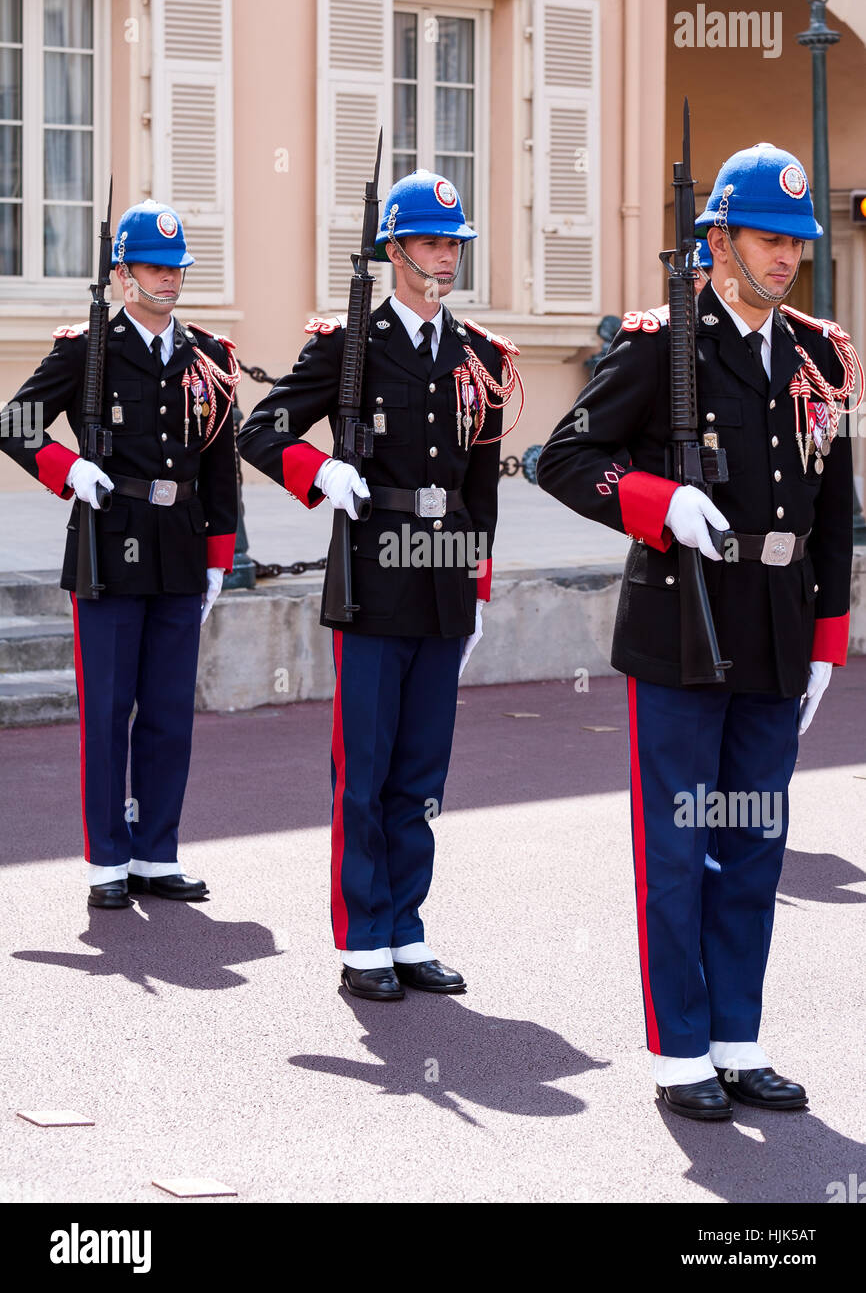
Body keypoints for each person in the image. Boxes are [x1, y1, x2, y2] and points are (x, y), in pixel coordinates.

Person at [537, 144, 860, 1121]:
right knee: (678, 846)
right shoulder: (656, 345)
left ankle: (737, 1038)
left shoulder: (814, 354)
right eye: (766, 239)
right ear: (715, 236)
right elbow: (562, 458)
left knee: (753, 843)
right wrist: (656, 500)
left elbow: (832, 504)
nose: (784, 259)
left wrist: (825, 640)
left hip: (772, 626)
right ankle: (680, 1050)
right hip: (679, 622)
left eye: (795, 243)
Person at [238, 170, 521, 1001]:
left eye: (454, 245)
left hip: (441, 582)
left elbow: (482, 486)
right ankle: (364, 938)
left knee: (423, 771)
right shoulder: (347, 346)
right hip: (371, 576)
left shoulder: (480, 357)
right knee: (364, 766)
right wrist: (321, 470)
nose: (445, 257)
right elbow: (263, 430)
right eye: (431, 243)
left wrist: (476, 587)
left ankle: (407, 926)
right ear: (393, 251)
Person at [0, 200, 240, 908]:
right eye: (154, 268)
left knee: (169, 710)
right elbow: (13, 423)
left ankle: (156, 852)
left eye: (177, 269)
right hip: (107, 543)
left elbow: (219, 463)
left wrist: (221, 554)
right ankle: (108, 859)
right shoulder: (86, 348)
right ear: (121, 273)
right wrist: (66, 467)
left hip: (180, 548)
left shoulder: (211, 357)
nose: (168, 281)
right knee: (109, 709)